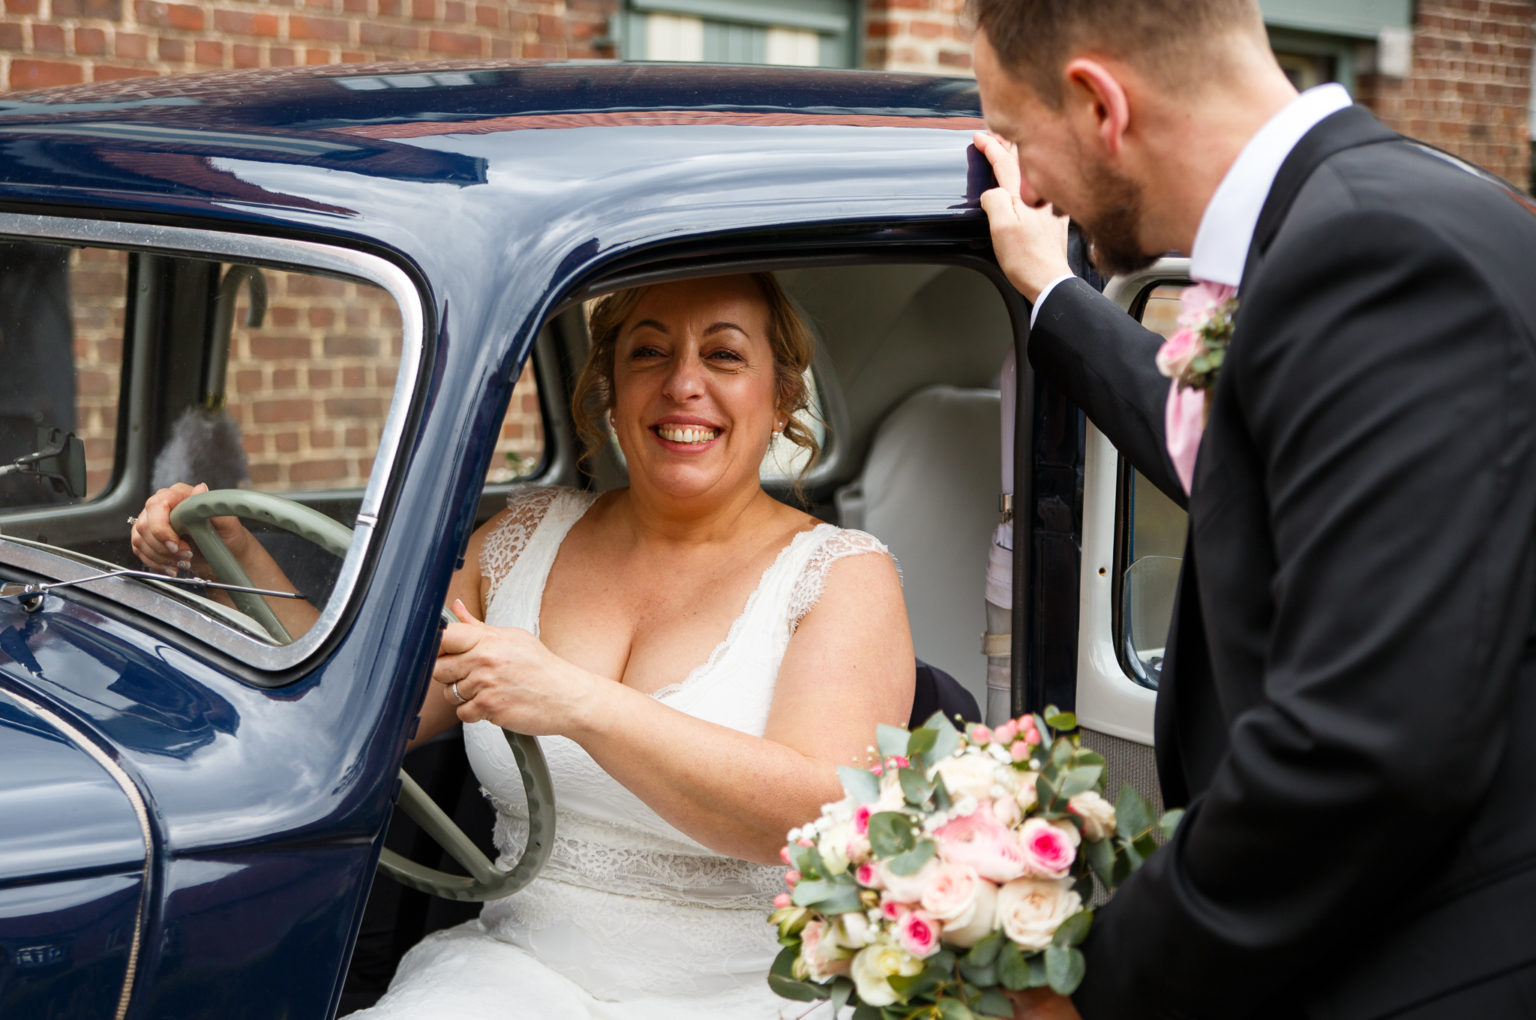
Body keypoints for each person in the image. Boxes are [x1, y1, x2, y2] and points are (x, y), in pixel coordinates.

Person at [132, 272, 915, 1018]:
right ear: (610, 388)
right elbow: (363, 706)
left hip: (744, 995)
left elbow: (819, 817)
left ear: (780, 397)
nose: (683, 383)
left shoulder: (843, 575)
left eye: (723, 355)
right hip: (516, 980)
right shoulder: (523, 537)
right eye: (648, 351)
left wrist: (576, 703)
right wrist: (230, 553)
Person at [965, 2, 1536, 1018]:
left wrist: (1097, 986)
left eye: (1018, 134)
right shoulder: (1361, 217)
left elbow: (1363, 751)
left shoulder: (1373, 258)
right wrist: (1053, 294)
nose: (1031, 185)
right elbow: (1233, 451)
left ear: (1101, 103)